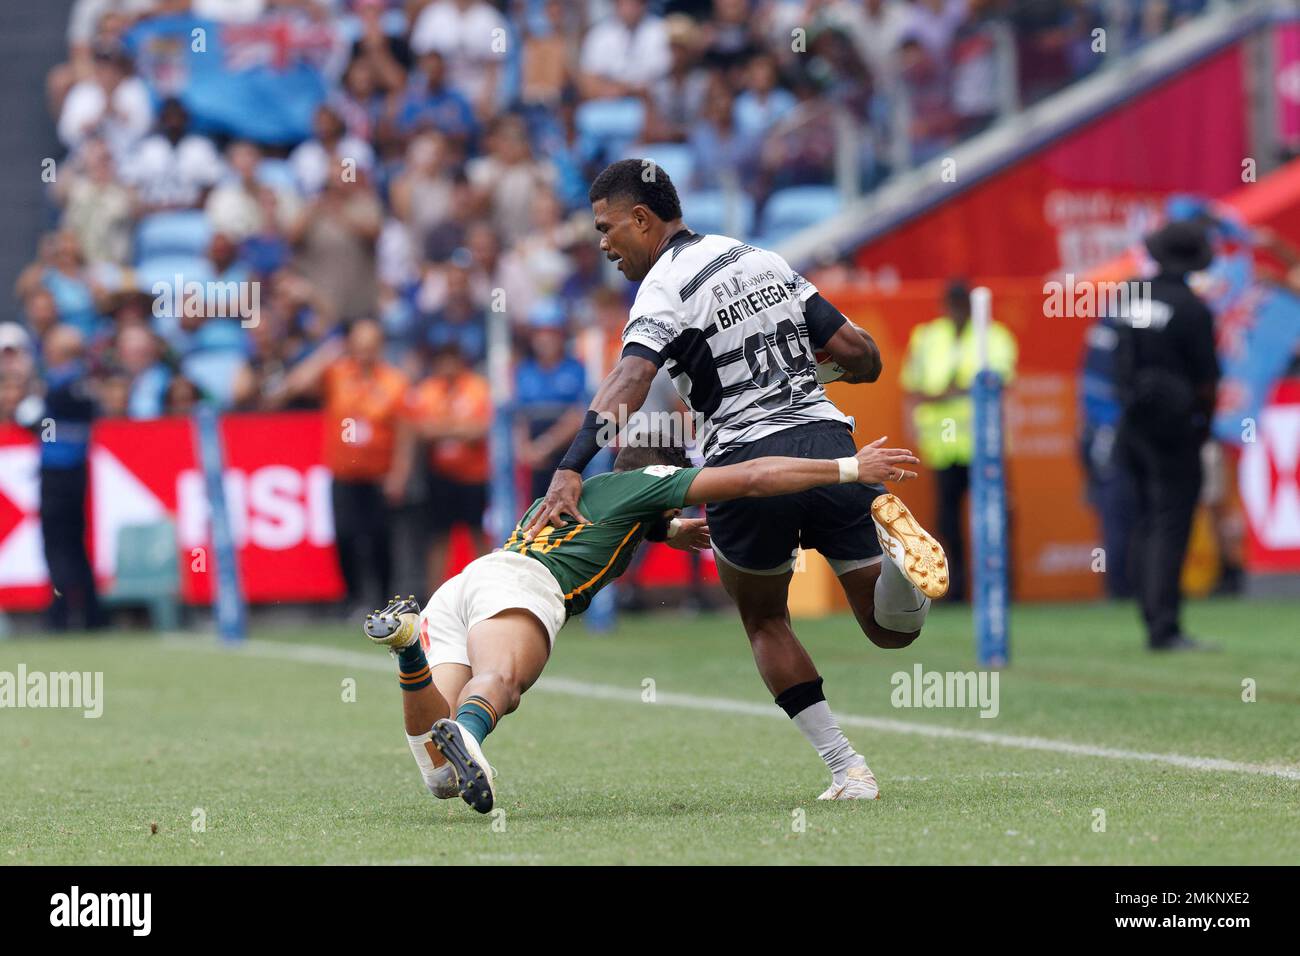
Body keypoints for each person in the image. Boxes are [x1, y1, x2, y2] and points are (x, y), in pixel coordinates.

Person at [527, 159, 949, 800]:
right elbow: (862, 354)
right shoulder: (762, 258)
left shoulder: (662, 288)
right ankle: (897, 562)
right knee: (892, 630)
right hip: (827, 444)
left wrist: (569, 464)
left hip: (747, 467)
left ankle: (848, 768)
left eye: (608, 229)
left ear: (643, 219)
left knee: (766, 624)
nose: (604, 245)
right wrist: (824, 373)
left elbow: (631, 383)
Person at [364, 435, 930, 813]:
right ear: (666, 471)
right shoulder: (653, 482)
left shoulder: (587, 490)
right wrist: (852, 468)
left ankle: (411, 649)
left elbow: (622, 520)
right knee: (500, 685)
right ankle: (468, 731)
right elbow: (753, 477)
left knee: (442, 779)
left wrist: (665, 530)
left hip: (466, 583)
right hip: (522, 588)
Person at [1114, 221, 1220, 651]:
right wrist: (1203, 428)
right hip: (1175, 430)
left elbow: (1118, 360)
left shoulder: (1133, 296)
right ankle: (1165, 628)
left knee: (1145, 521)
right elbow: (1207, 382)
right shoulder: (1192, 307)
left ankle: (1150, 616)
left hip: (1133, 424)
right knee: (1171, 523)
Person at [900, 279, 1017, 601]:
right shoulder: (927, 336)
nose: (955, 312)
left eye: (960, 305)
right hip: (943, 446)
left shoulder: (994, 335)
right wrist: (948, 393)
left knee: (995, 517)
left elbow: (996, 381)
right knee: (947, 522)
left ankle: (1001, 590)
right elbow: (914, 387)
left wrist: (947, 393)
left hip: (983, 444)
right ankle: (954, 591)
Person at [24, 326, 105, 631]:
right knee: (76, 544)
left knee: (57, 545)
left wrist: (34, 417)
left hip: (57, 473)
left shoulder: (58, 385)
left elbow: (42, 422)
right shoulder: (86, 384)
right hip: (78, 471)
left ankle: (62, 613)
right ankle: (91, 613)